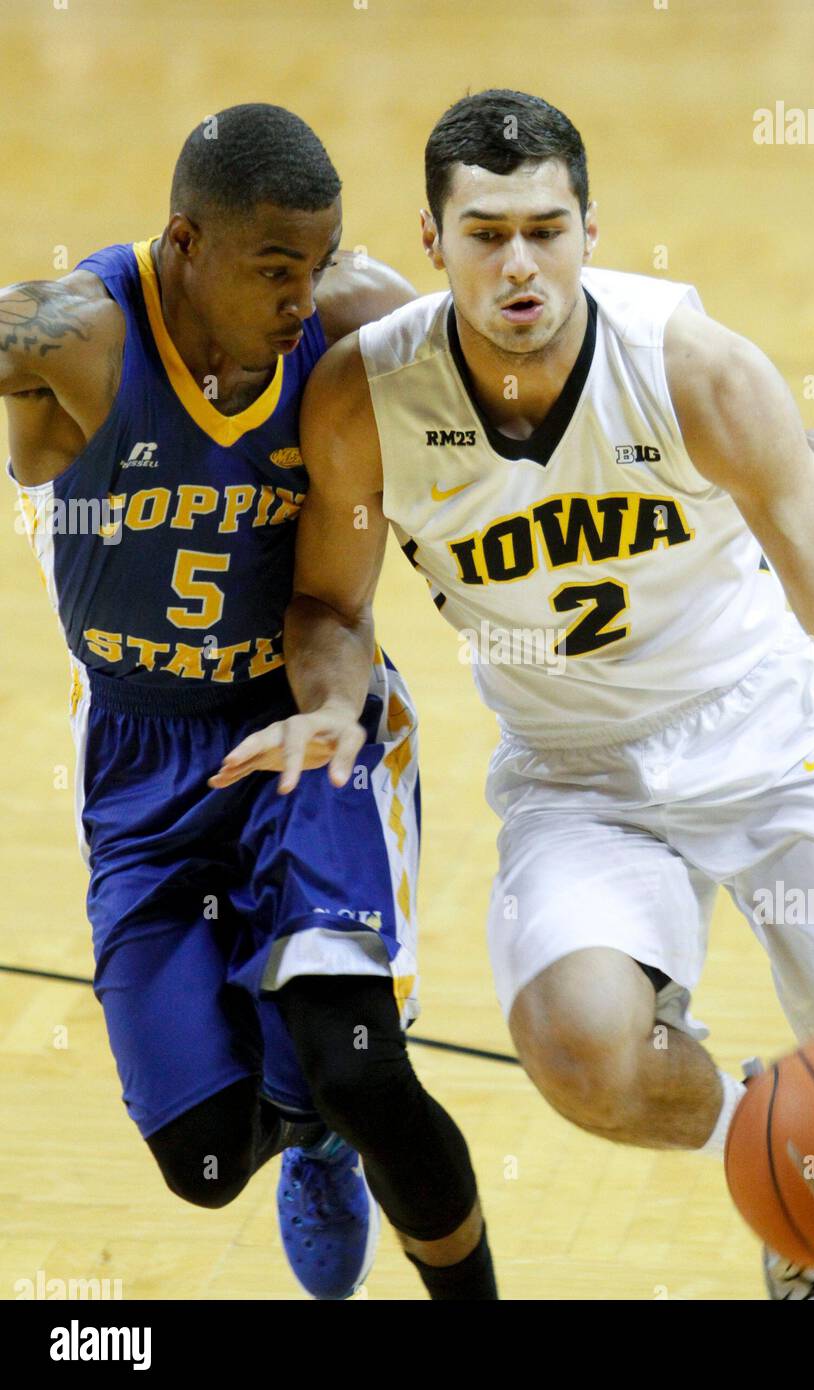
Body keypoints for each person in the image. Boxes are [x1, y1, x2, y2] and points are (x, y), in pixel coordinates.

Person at [217, 88, 814, 1301]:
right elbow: (329, 605)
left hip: (770, 737)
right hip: (577, 775)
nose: (521, 263)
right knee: (583, 1050)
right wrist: (334, 699)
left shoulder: (693, 366)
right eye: (486, 234)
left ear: (594, 227)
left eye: (548, 227)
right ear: (432, 247)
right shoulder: (367, 395)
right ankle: (784, 1143)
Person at [2, 103, 496, 1301]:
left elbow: (569, 367)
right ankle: (302, 1132)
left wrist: (774, 442)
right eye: (275, 265)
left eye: (316, 258)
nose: (300, 292)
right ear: (184, 243)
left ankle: (342, 1126)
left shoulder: (350, 321)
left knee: (362, 1068)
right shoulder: (74, 333)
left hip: (305, 714)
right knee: (209, 1161)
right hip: (137, 750)